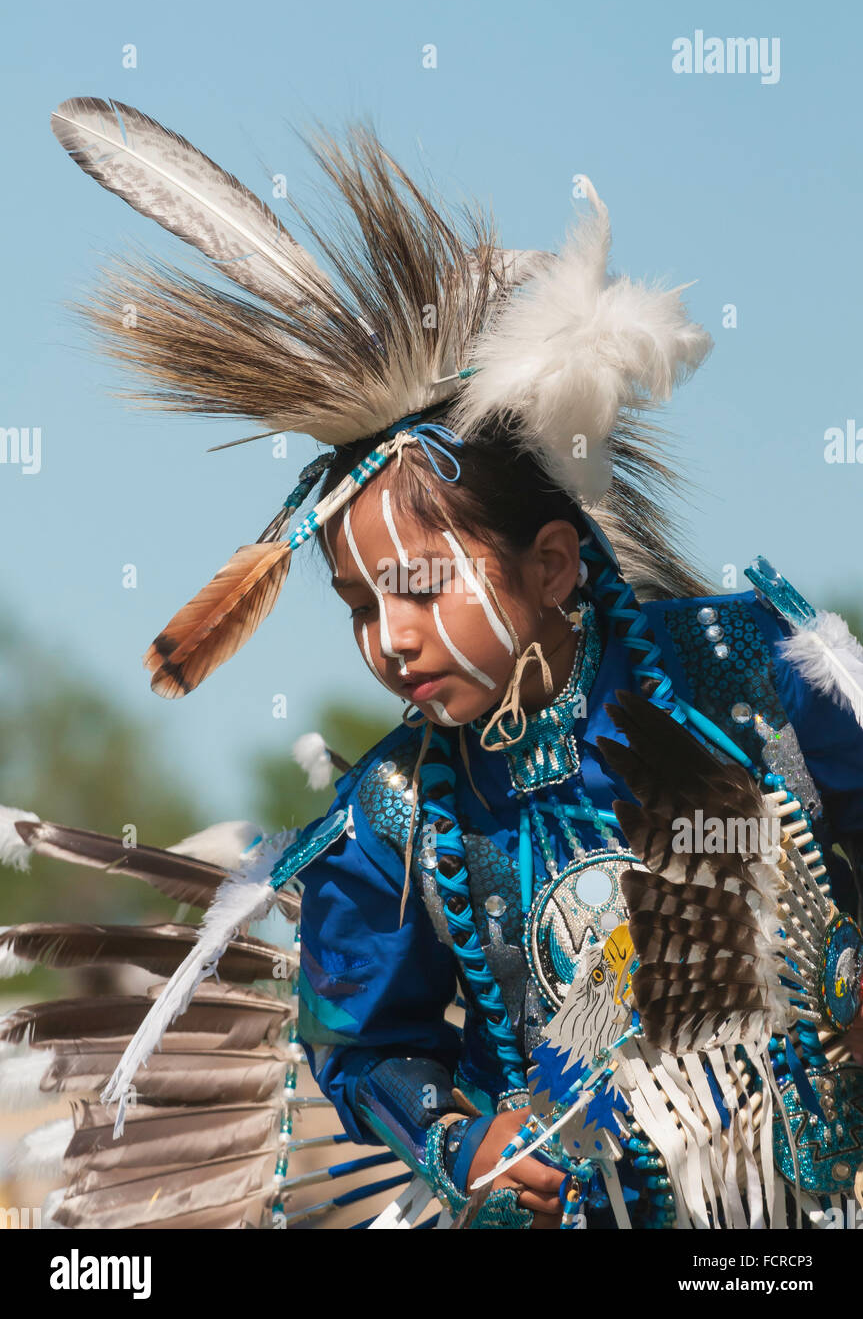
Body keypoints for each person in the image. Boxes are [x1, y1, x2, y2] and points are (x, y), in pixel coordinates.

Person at [6, 96, 862, 1230]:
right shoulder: (397, 818)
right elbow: (367, 1042)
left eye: (415, 588)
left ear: (552, 564)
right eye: (356, 604)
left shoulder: (740, 674)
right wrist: (465, 1139)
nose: (388, 637)